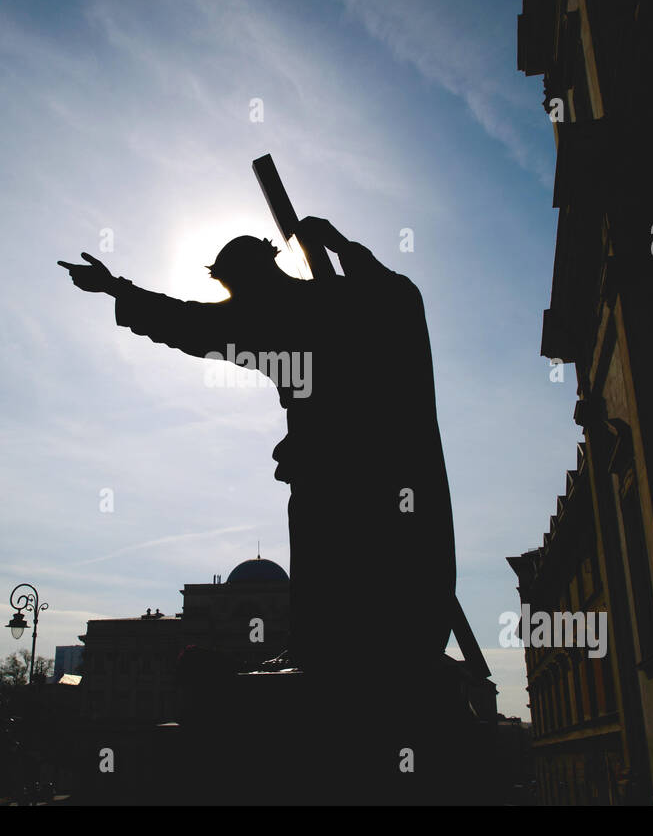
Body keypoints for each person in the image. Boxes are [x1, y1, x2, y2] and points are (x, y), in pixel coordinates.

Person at [59, 217, 456, 680]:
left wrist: (115, 288)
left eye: (233, 285)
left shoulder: (283, 312)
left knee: (341, 550)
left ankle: (339, 651)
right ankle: (326, 648)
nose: (231, 296)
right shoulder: (308, 304)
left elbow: (399, 299)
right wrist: (339, 246)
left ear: (256, 272)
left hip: (348, 456)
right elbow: (397, 295)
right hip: (339, 457)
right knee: (332, 550)